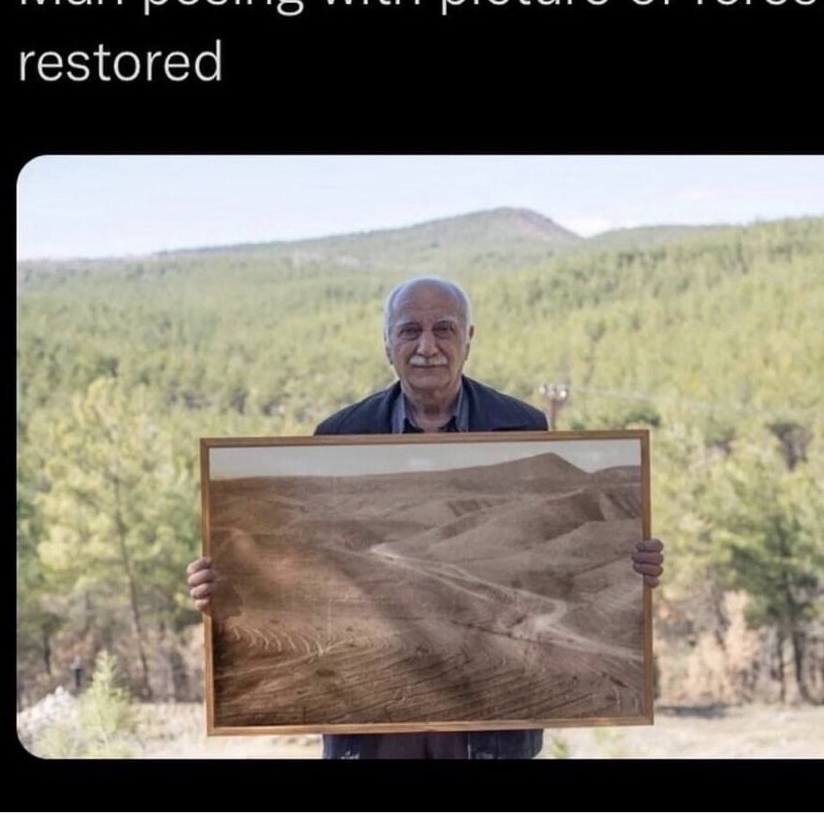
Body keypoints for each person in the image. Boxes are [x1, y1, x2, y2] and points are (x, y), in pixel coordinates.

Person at [188, 275, 665, 758]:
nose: (427, 347)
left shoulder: (524, 425)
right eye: (410, 330)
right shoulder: (340, 434)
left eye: (444, 329)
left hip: (489, 733)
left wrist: (630, 563)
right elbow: (303, 569)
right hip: (372, 735)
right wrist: (229, 586)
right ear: (387, 344)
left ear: (468, 339)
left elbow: (559, 574)